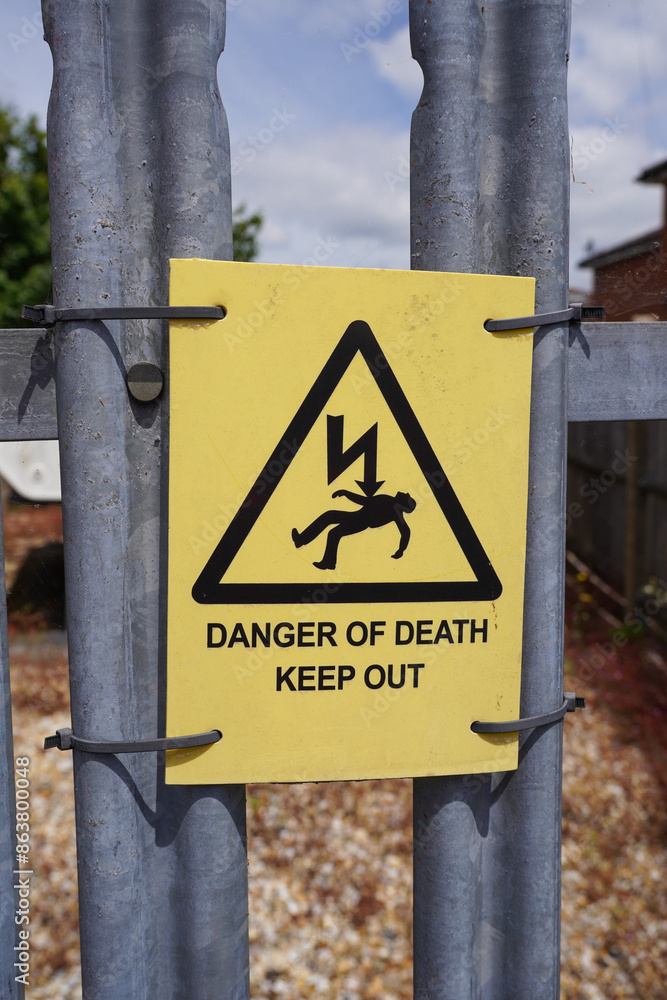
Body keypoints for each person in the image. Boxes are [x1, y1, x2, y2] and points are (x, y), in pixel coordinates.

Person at [292, 489, 416, 570]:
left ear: (404, 503)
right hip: (356, 516)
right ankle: (301, 540)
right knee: (329, 516)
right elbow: (365, 501)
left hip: (360, 522)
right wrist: (346, 493)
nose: (404, 493)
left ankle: (328, 562)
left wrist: (401, 549)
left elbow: (406, 531)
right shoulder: (388, 500)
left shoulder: (395, 510)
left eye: (406, 496)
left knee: (334, 533)